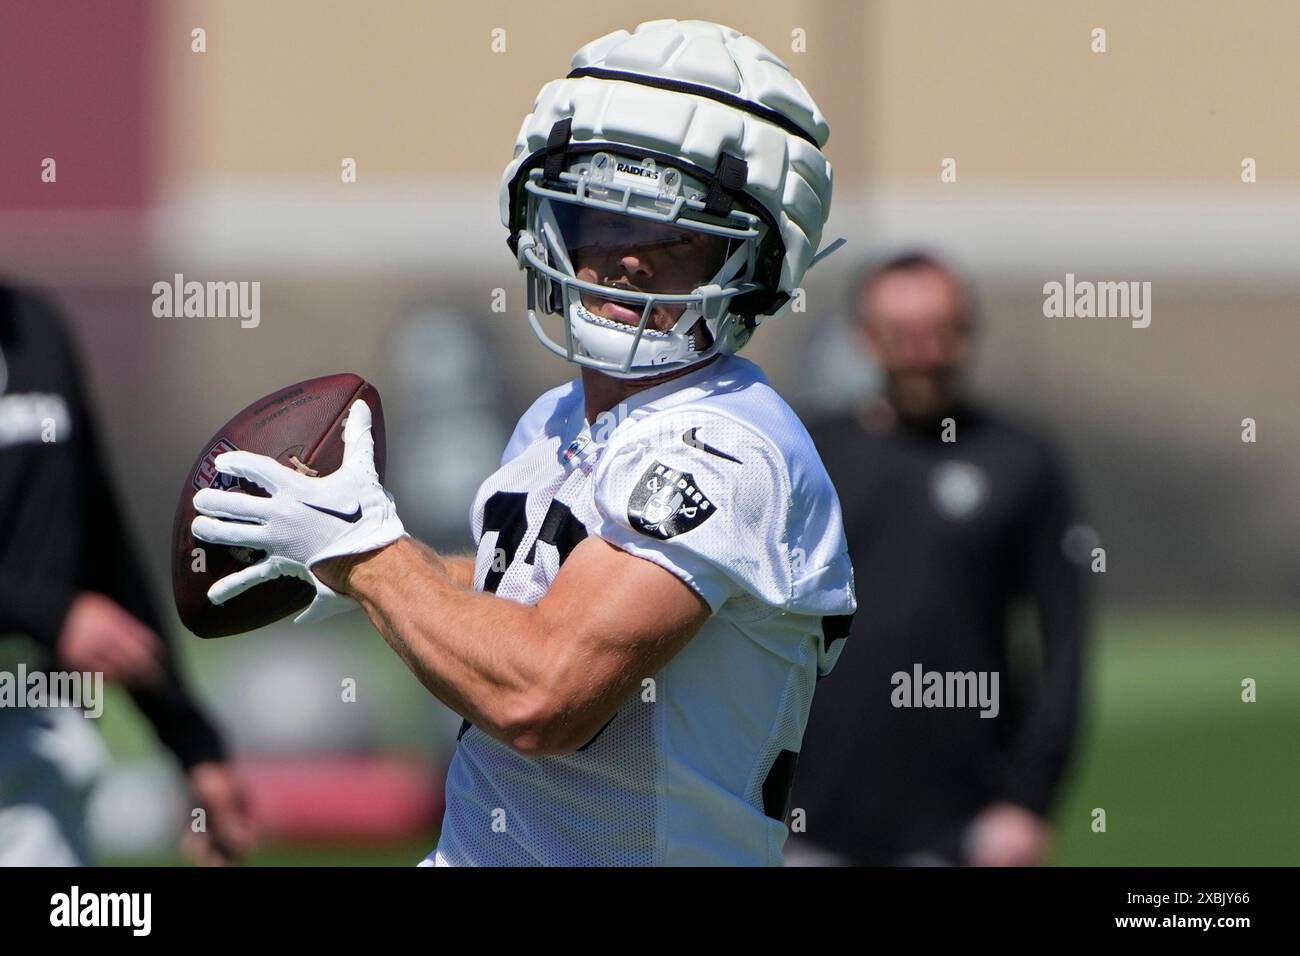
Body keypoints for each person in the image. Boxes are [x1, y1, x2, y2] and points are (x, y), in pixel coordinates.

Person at [188, 19, 855, 866]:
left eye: (676, 234)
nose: (627, 261)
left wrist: (368, 559)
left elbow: (543, 696)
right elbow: (534, 585)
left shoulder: (724, 449)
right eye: (602, 218)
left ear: (754, 261)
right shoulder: (558, 416)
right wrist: (353, 566)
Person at [788, 252, 1089, 866]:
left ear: (968, 332)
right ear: (864, 339)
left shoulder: (1021, 460)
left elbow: (1064, 643)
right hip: (805, 822)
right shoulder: (807, 456)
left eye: (940, 331)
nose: (922, 353)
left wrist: (1030, 800)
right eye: (901, 334)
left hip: (960, 826)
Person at [0, 283, 254, 866]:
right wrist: (50, 615)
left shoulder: (35, 327)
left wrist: (192, 743)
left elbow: (99, 538)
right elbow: (71, 617)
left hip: (29, 739)